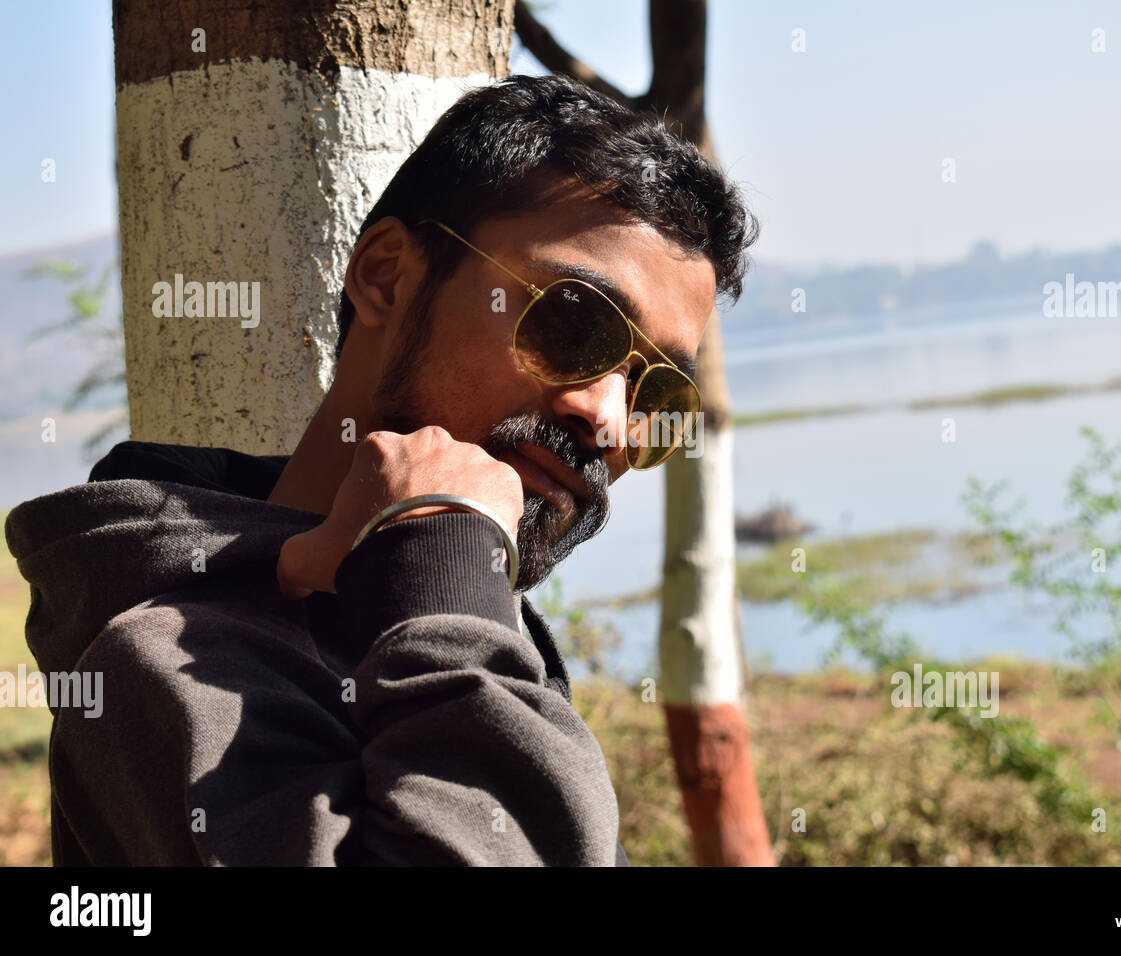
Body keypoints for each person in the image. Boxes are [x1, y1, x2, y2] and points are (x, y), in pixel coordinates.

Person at [4, 72, 757, 866]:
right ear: (386, 276)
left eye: (656, 392)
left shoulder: (465, 631)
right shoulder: (165, 669)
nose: (606, 418)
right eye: (573, 320)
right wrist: (447, 566)